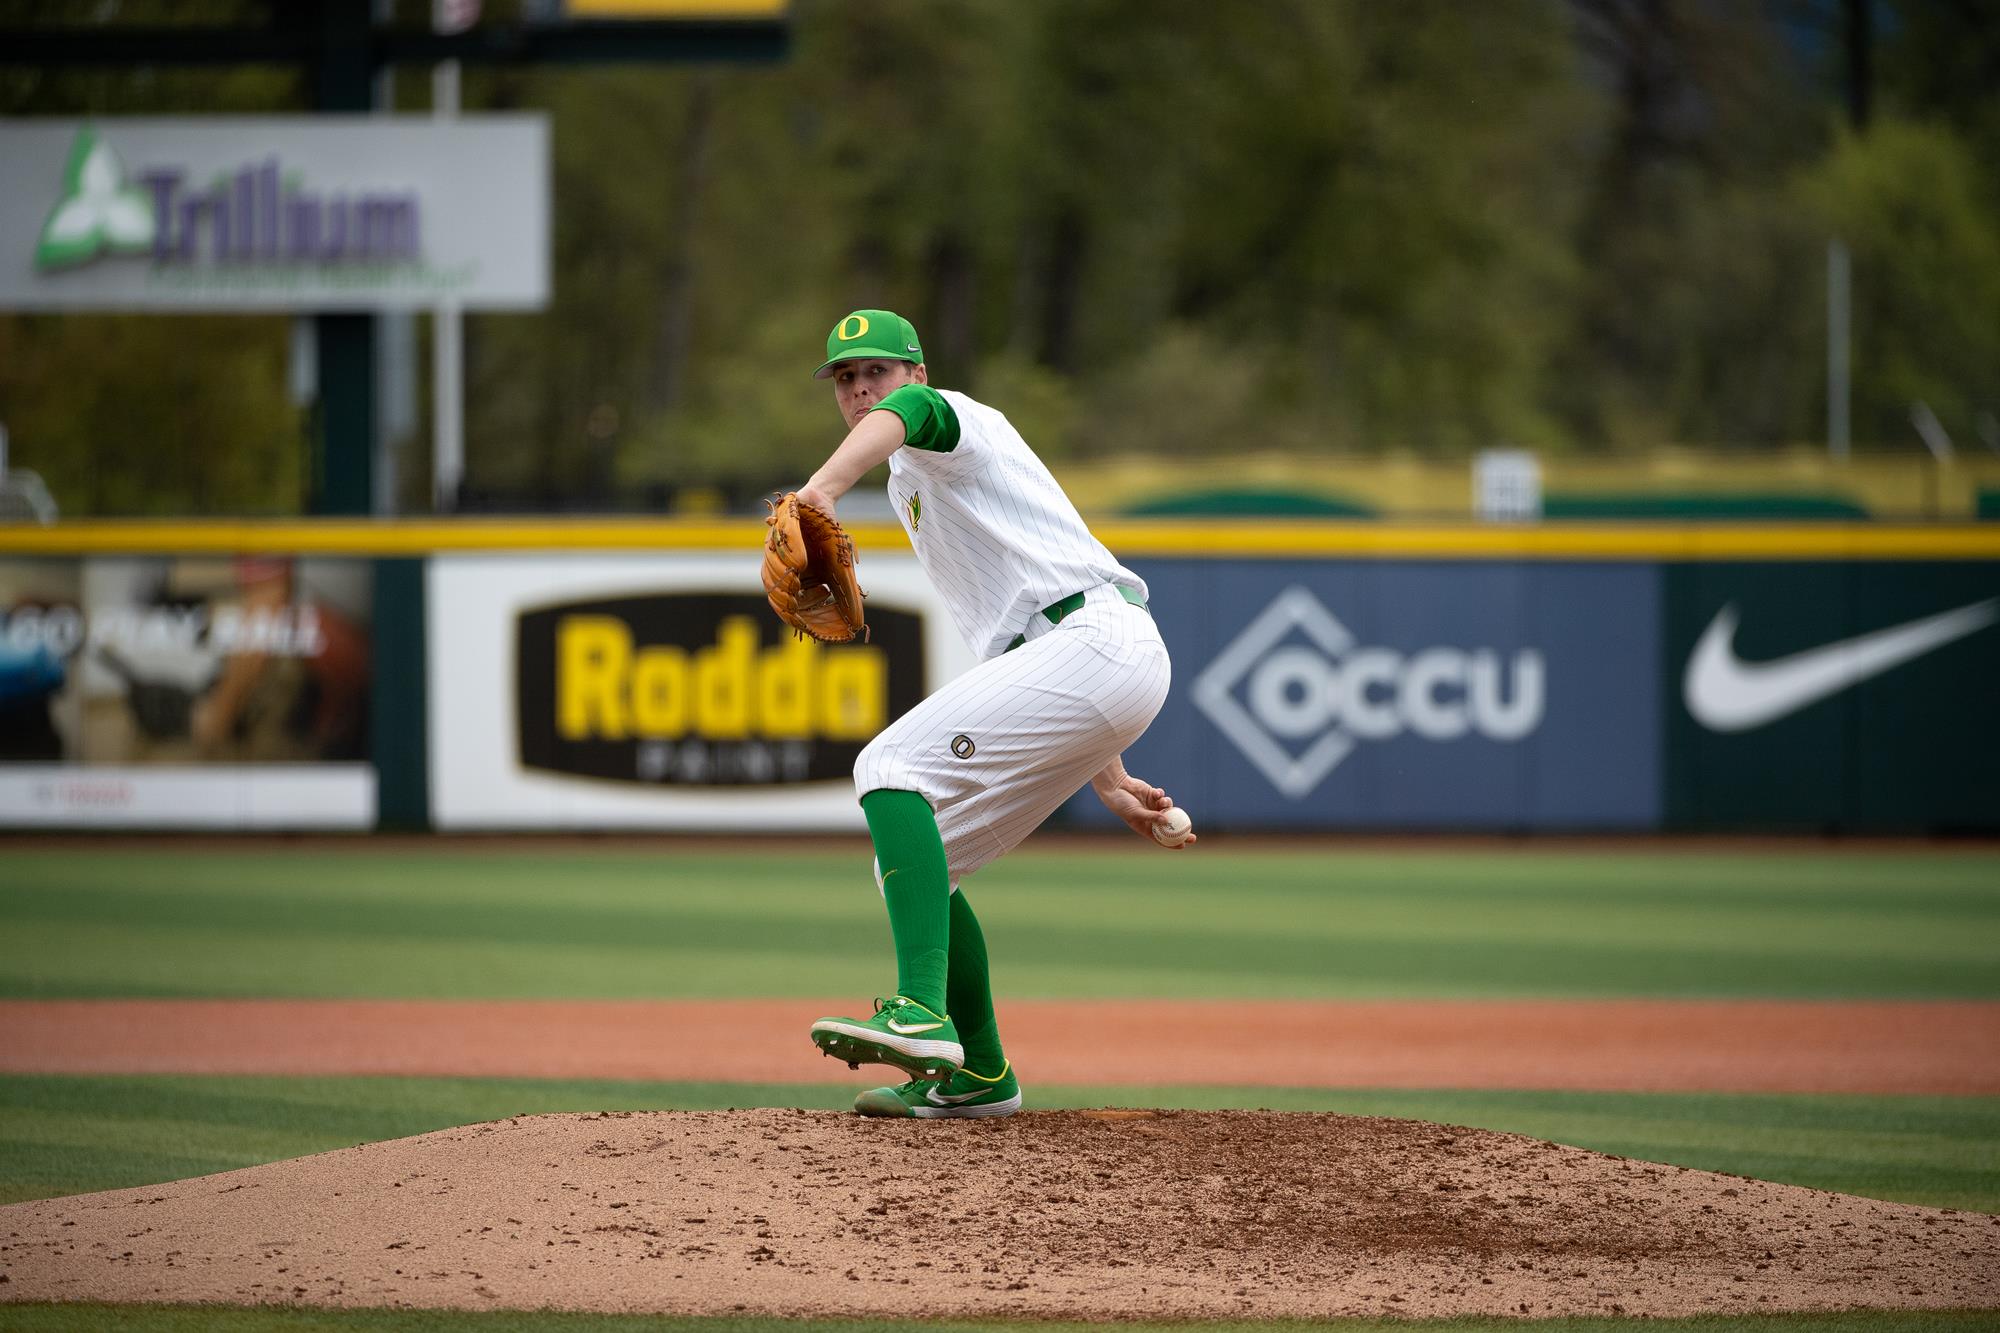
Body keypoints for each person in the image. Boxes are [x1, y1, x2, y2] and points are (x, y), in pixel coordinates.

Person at [799, 309, 1194, 1120]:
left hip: (1099, 635)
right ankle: (980, 1073)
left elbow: (908, 416)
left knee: (887, 766)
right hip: (1085, 654)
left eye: (877, 369)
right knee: (916, 858)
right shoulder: (911, 479)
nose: (861, 387)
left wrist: (821, 490)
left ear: (917, 370)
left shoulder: (956, 424)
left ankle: (919, 1010)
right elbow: (1026, 637)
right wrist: (1110, 779)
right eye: (845, 377)